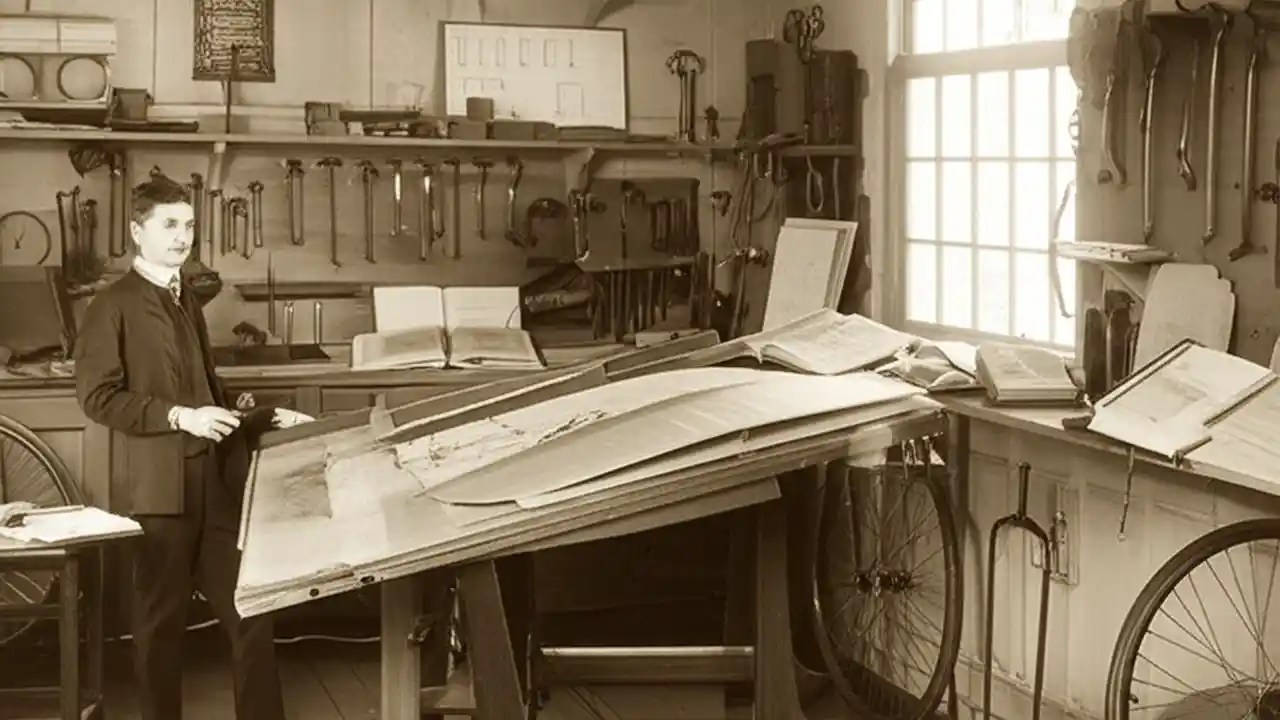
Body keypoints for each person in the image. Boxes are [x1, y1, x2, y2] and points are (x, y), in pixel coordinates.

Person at [73, 176, 287, 720]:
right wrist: (178, 416)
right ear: (136, 231)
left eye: (189, 225)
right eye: (170, 225)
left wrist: (256, 418)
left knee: (251, 611)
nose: (182, 236)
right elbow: (97, 398)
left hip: (214, 486)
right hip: (158, 493)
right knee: (159, 629)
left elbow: (203, 394)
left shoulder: (186, 296)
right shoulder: (112, 304)